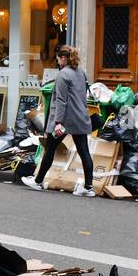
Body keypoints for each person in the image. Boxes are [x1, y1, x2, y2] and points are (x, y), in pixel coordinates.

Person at [22, 45, 95, 196]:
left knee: (50, 148)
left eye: (58, 58)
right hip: (80, 118)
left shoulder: (63, 75)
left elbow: (61, 100)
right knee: (84, 151)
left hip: (65, 120)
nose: (57, 60)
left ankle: (38, 181)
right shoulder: (80, 73)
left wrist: (58, 122)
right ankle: (88, 188)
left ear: (63, 58)